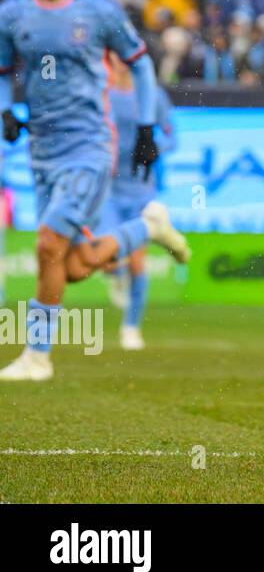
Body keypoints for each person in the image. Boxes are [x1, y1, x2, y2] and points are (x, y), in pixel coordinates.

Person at [0, 0, 191, 382]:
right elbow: (4, 73)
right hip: (41, 149)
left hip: (89, 146)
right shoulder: (11, 14)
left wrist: (146, 129)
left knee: (47, 245)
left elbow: (142, 66)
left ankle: (37, 357)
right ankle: (146, 228)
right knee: (73, 265)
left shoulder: (100, 11)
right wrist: (7, 110)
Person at [104, 53, 177, 350]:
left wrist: (152, 147)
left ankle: (131, 327)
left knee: (137, 261)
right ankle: (115, 273)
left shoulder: (152, 94)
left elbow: (173, 136)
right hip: (107, 188)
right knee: (107, 255)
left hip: (141, 188)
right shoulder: (101, 92)